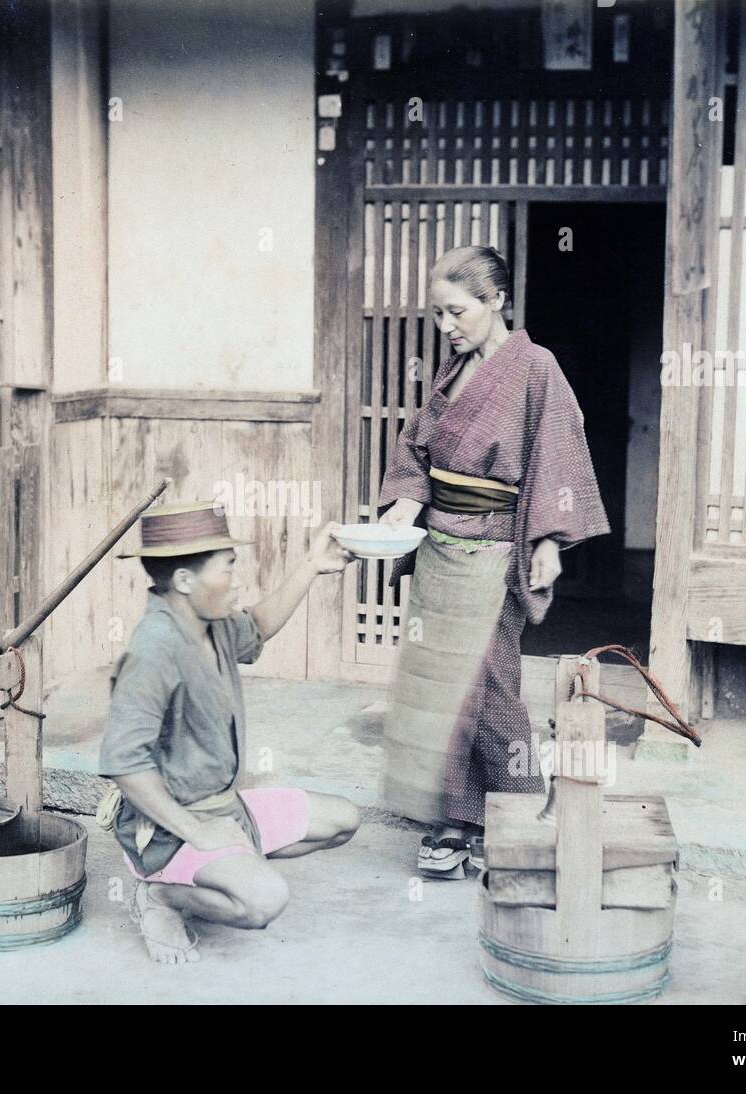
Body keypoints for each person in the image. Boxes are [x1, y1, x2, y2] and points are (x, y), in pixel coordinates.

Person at [378, 244, 609, 877]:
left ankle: (515, 810)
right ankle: (452, 817)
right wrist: (404, 503)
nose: (446, 328)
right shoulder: (450, 376)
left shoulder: (536, 368)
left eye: (457, 312)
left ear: (496, 301)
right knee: (437, 683)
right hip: (440, 547)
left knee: (490, 682)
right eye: (438, 315)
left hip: (496, 544)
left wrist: (546, 541)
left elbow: (555, 453)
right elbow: (416, 450)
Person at [97, 501, 361, 964]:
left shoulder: (209, 623)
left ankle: (226, 866)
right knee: (264, 901)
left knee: (343, 821)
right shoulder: (154, 650)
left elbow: (257, 628)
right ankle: (162, 897)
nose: (237, 579)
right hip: (168, 830)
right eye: (228, 567)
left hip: (226, 810)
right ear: (184, 581)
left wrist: (311, 567)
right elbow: (124, 762)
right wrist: (198, 832)